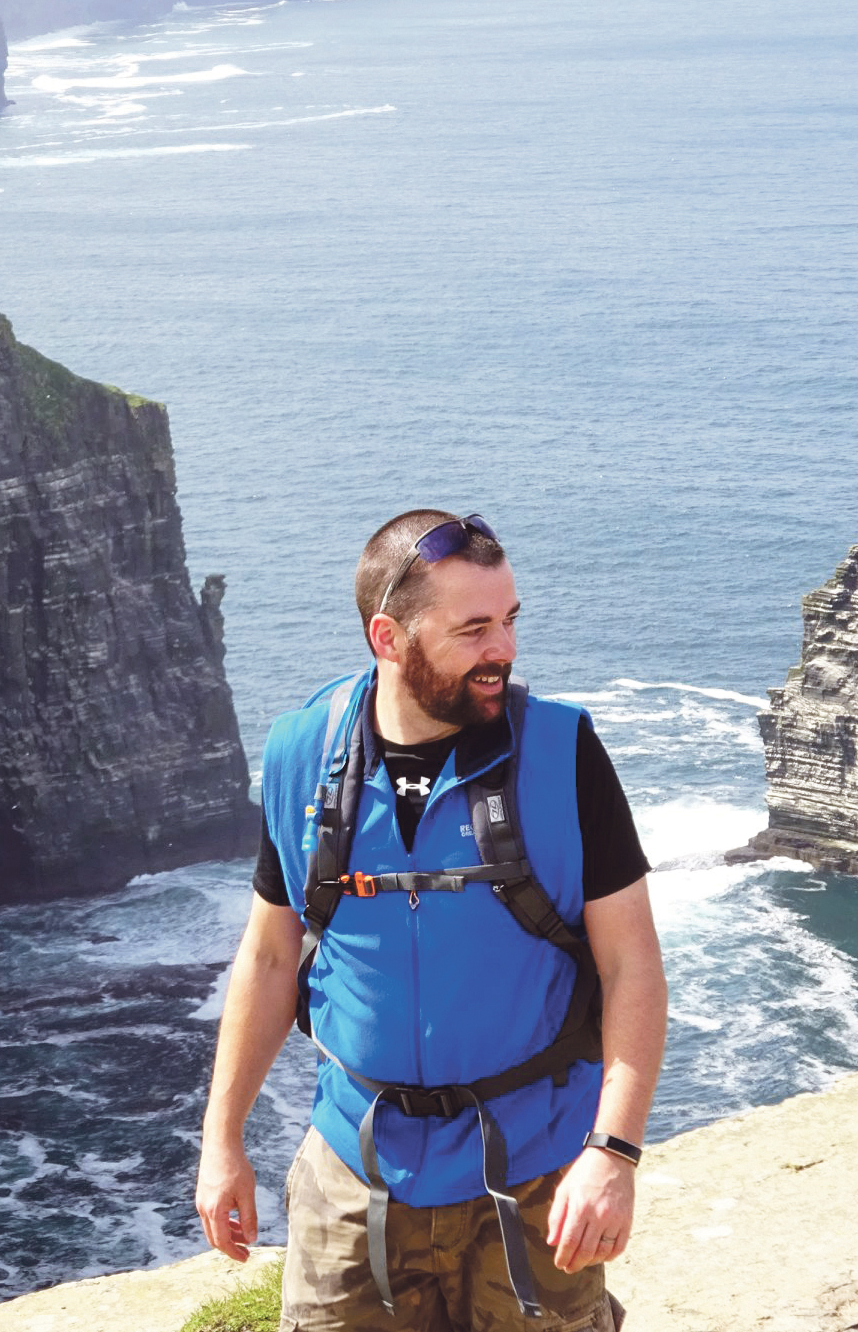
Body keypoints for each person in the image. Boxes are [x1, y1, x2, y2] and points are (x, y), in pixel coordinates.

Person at [195, 510, 667, 1332]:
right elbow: (271, 957)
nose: (505, 651)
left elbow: (633, 964)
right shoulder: (302, 752)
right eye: (474, 628)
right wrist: (222, 1139)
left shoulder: (564, 751)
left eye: (511, 619)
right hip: (355, 1169)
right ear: (388, 636)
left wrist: (613, 1154)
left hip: (537, 1174)